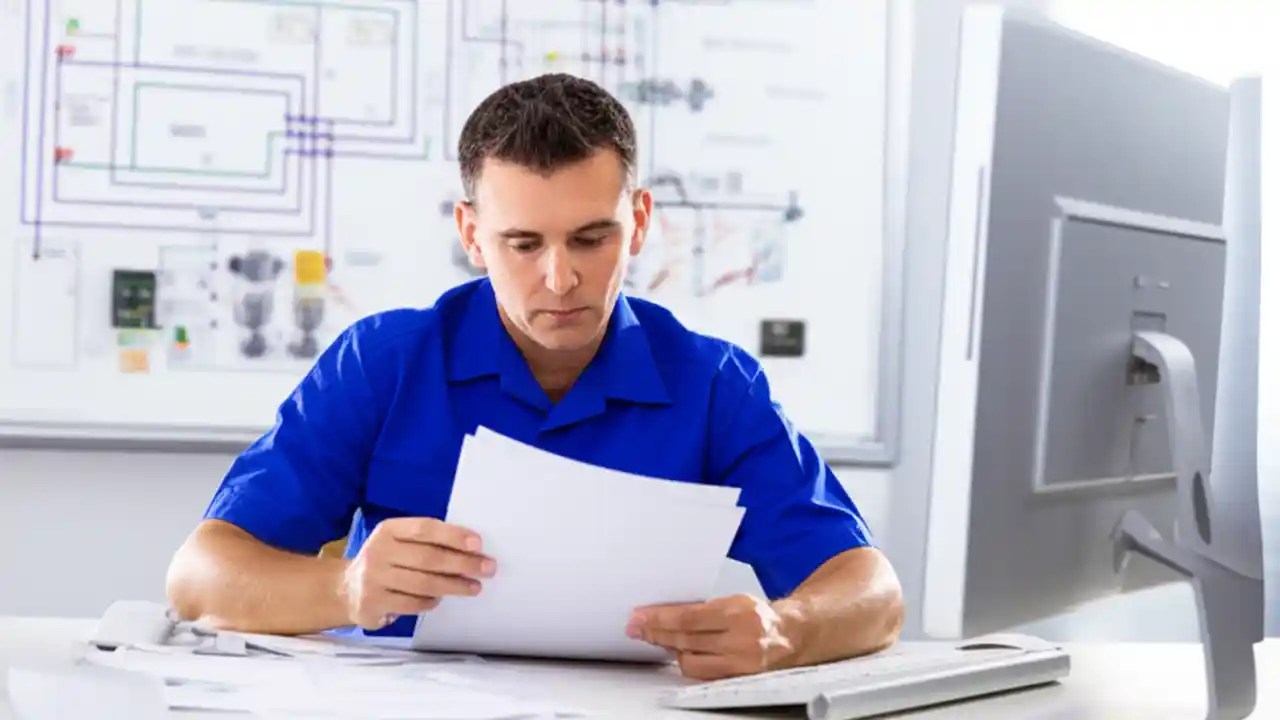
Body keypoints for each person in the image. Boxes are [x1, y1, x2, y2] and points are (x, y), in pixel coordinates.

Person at [166, 73, 903, 681]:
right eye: (523, 243)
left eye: (591, 238)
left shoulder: (714, 385)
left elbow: (872, 591)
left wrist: (785, 630)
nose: (560, 278)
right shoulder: (383, 362)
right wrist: (347, 586)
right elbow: (199, 577)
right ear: (471, 234)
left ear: (640, 222)